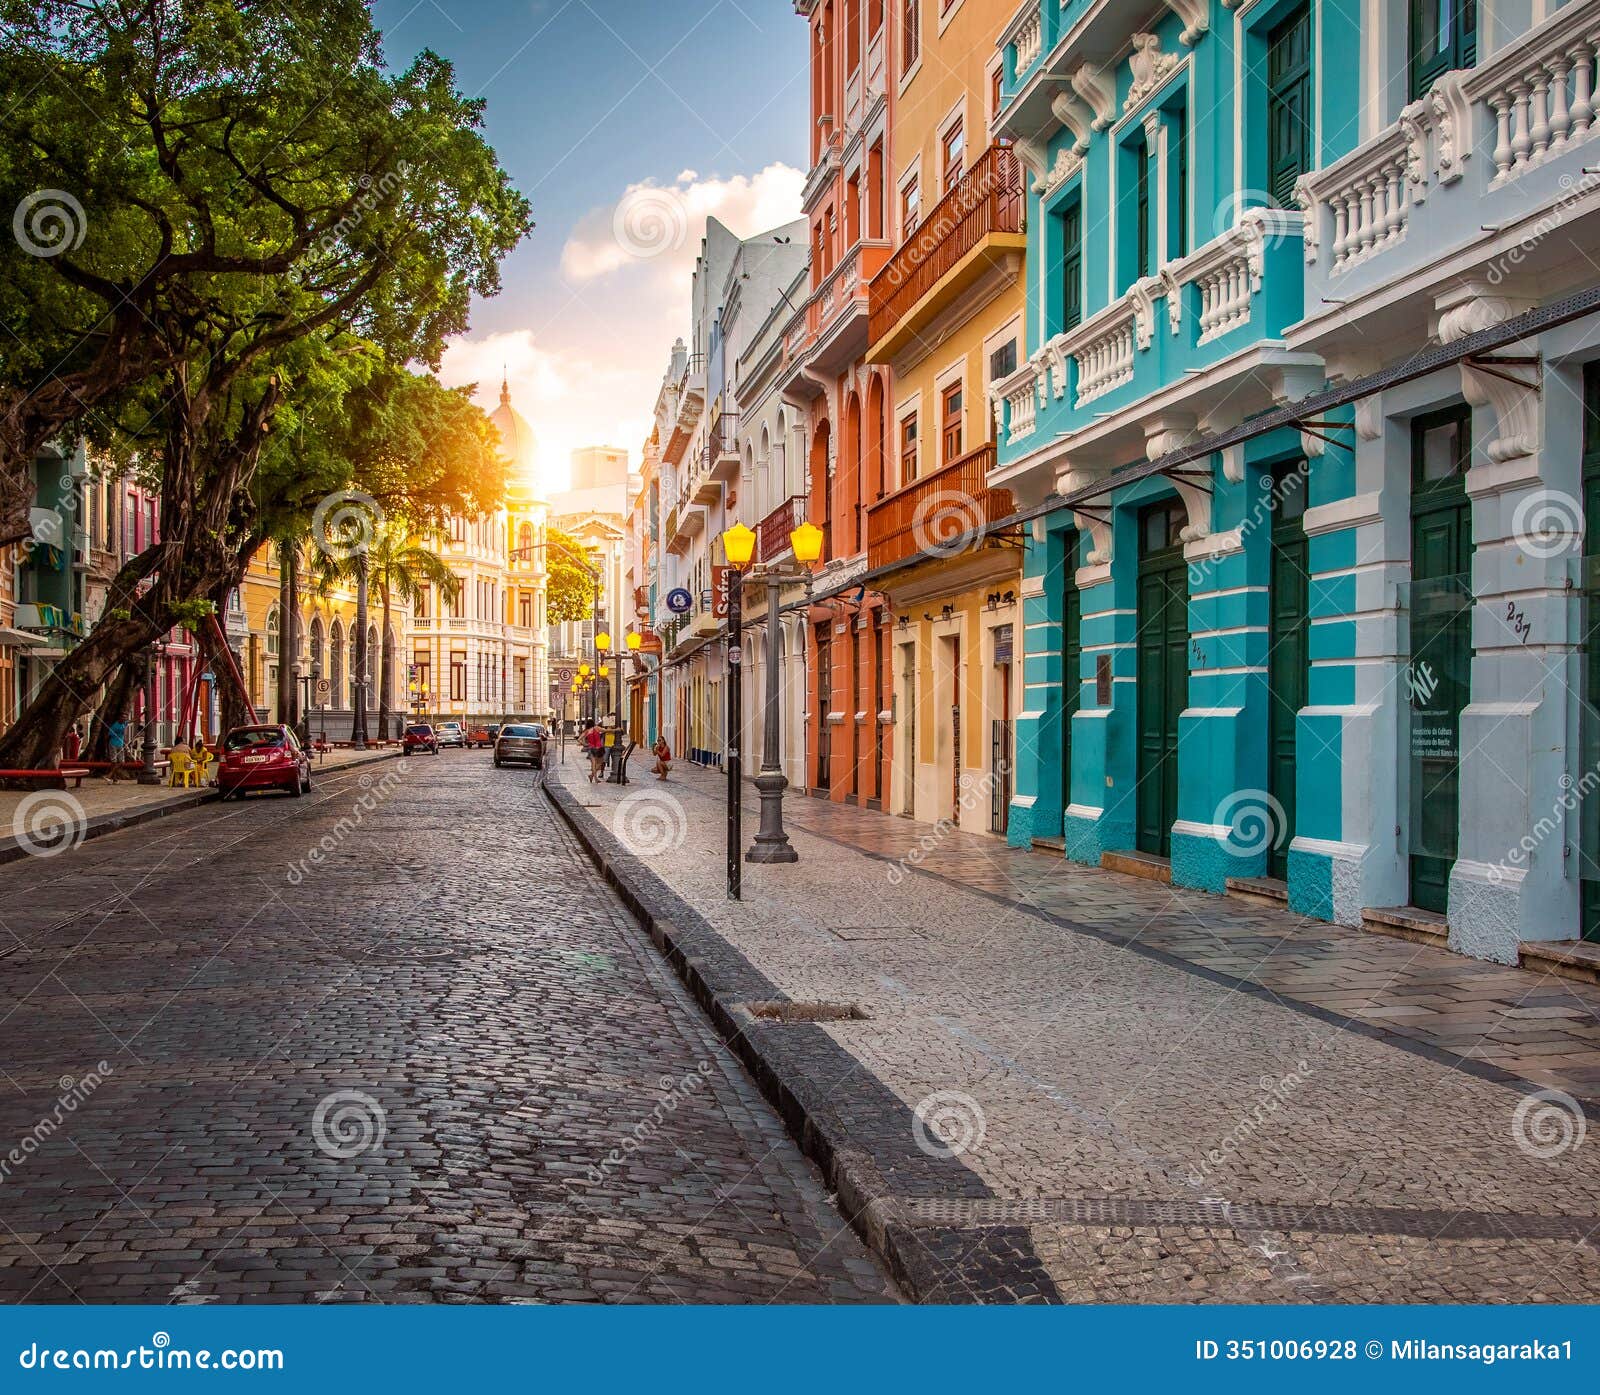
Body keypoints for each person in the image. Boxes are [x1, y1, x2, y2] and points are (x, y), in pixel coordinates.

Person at [105, 717, 129, 782]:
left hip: (120, 745)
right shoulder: (115, 726)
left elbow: (134, 719)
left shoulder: (124, 723)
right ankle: (114, 778)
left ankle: (110, 776)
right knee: (114, 762)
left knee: (122, 762)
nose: (125, 720)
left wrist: (143, 713)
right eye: (123, 719)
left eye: (125, 719)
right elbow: (108, 735)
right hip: (113, 745)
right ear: (119, 719)